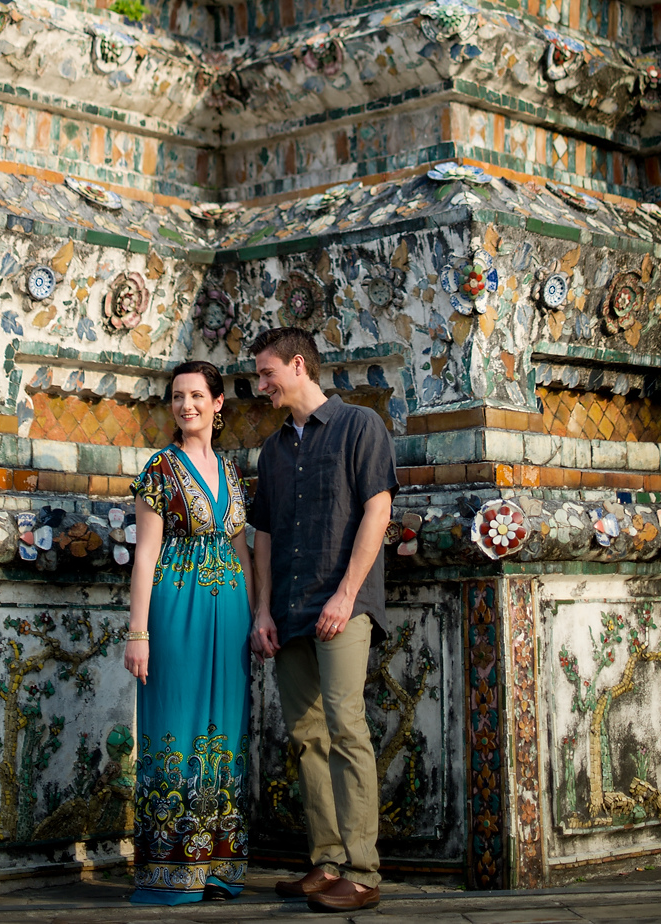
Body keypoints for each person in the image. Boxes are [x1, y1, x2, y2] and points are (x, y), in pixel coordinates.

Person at [249, 326, 396, 913]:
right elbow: (261, 535)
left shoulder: (361, 427)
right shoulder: (273, 448)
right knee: (307, 739)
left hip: (342, 607)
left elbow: (377, 512)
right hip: (286, 609)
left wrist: (345, 595)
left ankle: (362, 871)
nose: (261, 385)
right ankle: (326, 861)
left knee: (345, 728)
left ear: (299, 365)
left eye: (267, 373)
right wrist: (261, 609)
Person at [125, 360, 254, 905]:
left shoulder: (230, 471)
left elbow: (243, 548)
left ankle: (217, 867)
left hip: (232, 615)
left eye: (197, 396)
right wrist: (138, 632)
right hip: (176, 610)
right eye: (178, 397)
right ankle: (171, 871)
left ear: (218, 403)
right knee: (176, 723)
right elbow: (146, 553)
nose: (186, 406)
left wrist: (259, 613)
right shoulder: (160, 468)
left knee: (226, 730)